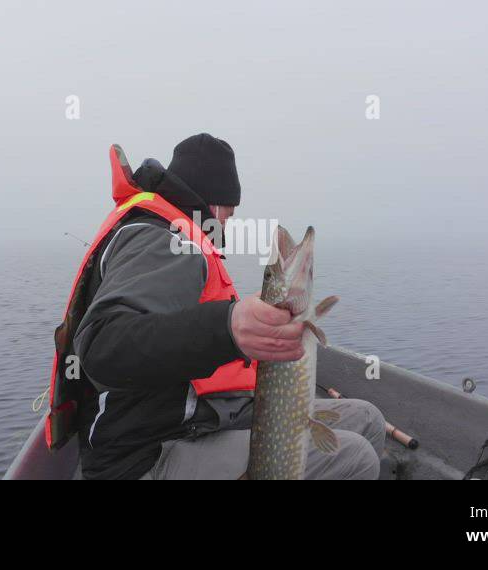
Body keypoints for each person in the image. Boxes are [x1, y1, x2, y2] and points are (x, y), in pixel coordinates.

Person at [64, 133, 385, 480]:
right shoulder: (165, 242)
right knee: (356, 458)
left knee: (366, 419)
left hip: (196, 420)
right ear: (213, 205)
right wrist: (227, 327)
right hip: (145, 456)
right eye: (229, 215)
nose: (228, 226)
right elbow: (102, 347)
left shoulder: (178, 237)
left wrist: (234, 331)